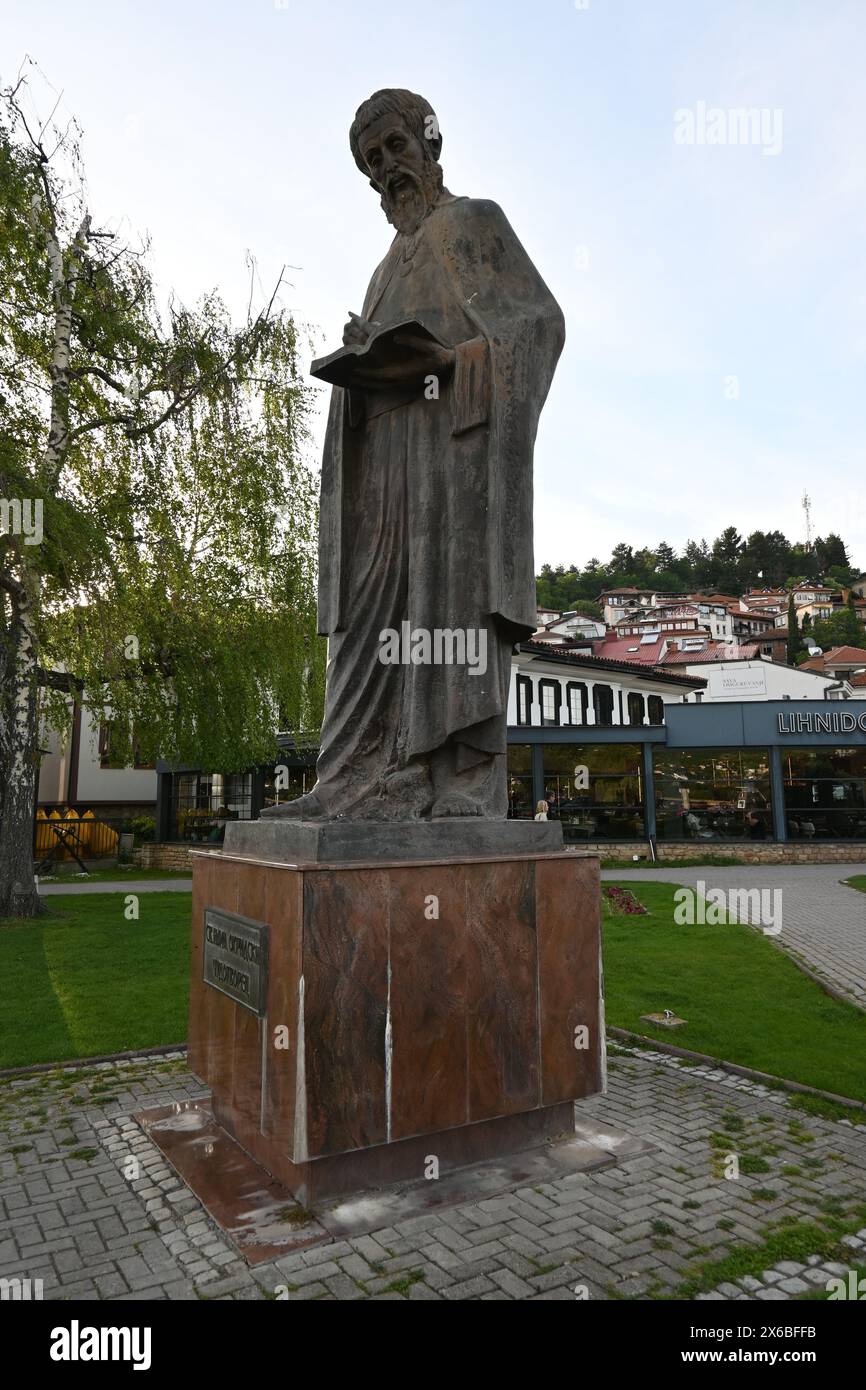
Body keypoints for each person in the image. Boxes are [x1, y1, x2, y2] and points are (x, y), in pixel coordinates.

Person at [262, 87, 564, 823]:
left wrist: (454, 360)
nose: (387, 169)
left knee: (449, 606)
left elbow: (539, 326)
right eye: (372, 161)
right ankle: (352, 779)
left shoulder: (472, 223)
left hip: (455, 453)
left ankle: (460, 780)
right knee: (370, 618)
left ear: (430, 141)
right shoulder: (383, 268)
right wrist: (365, 363)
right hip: (386, 459)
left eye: (396, 148)